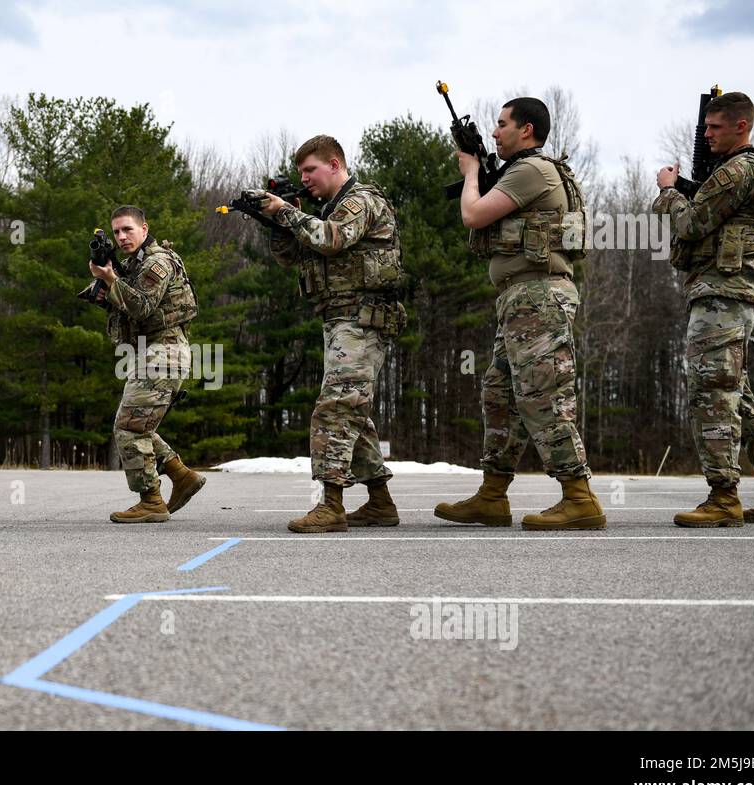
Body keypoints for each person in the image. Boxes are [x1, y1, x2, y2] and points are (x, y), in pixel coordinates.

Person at [434, 97, 606, 530]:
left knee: (542, 394)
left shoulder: (533, 170)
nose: (494, 132)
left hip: (538, 296)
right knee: (502, 395)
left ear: (526, 130)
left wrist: (472, 172)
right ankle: (492, 497)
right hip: (521, 297)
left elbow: (473, 214)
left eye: (501, 124)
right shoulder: (525, 170)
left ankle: (579, 497)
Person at [654, 91, 754, 526]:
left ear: (741, 126)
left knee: (712, 393)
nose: (707, 135)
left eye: (715, 127)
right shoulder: (747, 171)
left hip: (724, 294)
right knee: (732, 389)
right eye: (705, 127)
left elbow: (690, 223)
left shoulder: (738, 171)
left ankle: (724, 497)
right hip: (731, 293)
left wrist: (668, 191)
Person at [260, 135, 407, 533]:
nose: (304, 179)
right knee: (352, 411)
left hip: (362, 320)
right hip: (340, 320)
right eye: (301, 173)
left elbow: (331, 239)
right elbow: (291, 255)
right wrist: (274, 222)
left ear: (335, 164)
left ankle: (331, 505)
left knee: (337, 407)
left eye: (311, 170)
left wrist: (287, 212)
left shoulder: (358, 201)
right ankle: (380, 502)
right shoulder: (328, 209)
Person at [92, 206, 206, 523]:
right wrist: (106, 290)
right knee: (140, 425)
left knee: (129, 427)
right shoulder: (134, 267)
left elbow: (142, 307)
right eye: (116, 232)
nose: (121, 236)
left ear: (144, 228)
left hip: (165, 351)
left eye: (128, 229)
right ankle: (182, 476)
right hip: (154, 351)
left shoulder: (158, 262)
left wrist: (111, 279)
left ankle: (151, 500)